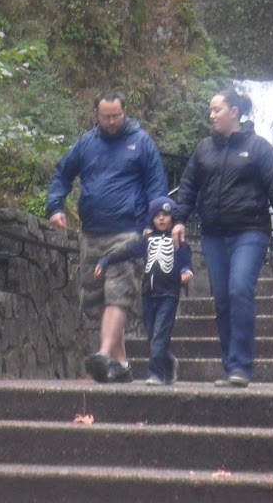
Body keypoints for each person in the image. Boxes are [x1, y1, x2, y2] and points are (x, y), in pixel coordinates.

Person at [172, 87, 273, 388]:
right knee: (222, 299)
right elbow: (188, 186)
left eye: (216, 109)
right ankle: (231, 368)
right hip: (214, 235)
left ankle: (241, 365)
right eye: (210, 110)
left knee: (239, 288)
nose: (211, 115)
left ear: (234, 112)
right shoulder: (204, 149)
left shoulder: (258, 147)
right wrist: (179, 220)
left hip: (250, 231)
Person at [46, 90, 167, 383]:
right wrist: (55, 206)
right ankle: (121, 364)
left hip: (128, 231)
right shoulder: (86, 144)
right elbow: (62, 173)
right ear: (96, 115)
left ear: (125, 112)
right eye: (106, 116)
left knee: (118, 293)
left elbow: (156, 186)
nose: (112, 122)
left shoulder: (142, 143)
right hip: (92, 232)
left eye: (116, 116)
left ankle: (102, 354)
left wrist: (153, 224)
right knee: (99, 298)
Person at [95, 196, 193, 386]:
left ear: (173, 217)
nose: (161, 218)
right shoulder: (146, 241)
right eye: (157, 215)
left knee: (160, 334)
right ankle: (169, 362)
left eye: (166, 215)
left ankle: (156, 373)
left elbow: (185, 260)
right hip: (148, 294)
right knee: (151, 335)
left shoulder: (178, 241)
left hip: (169, 294)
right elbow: (127, 250)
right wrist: (106, 260)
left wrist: (185, 271)